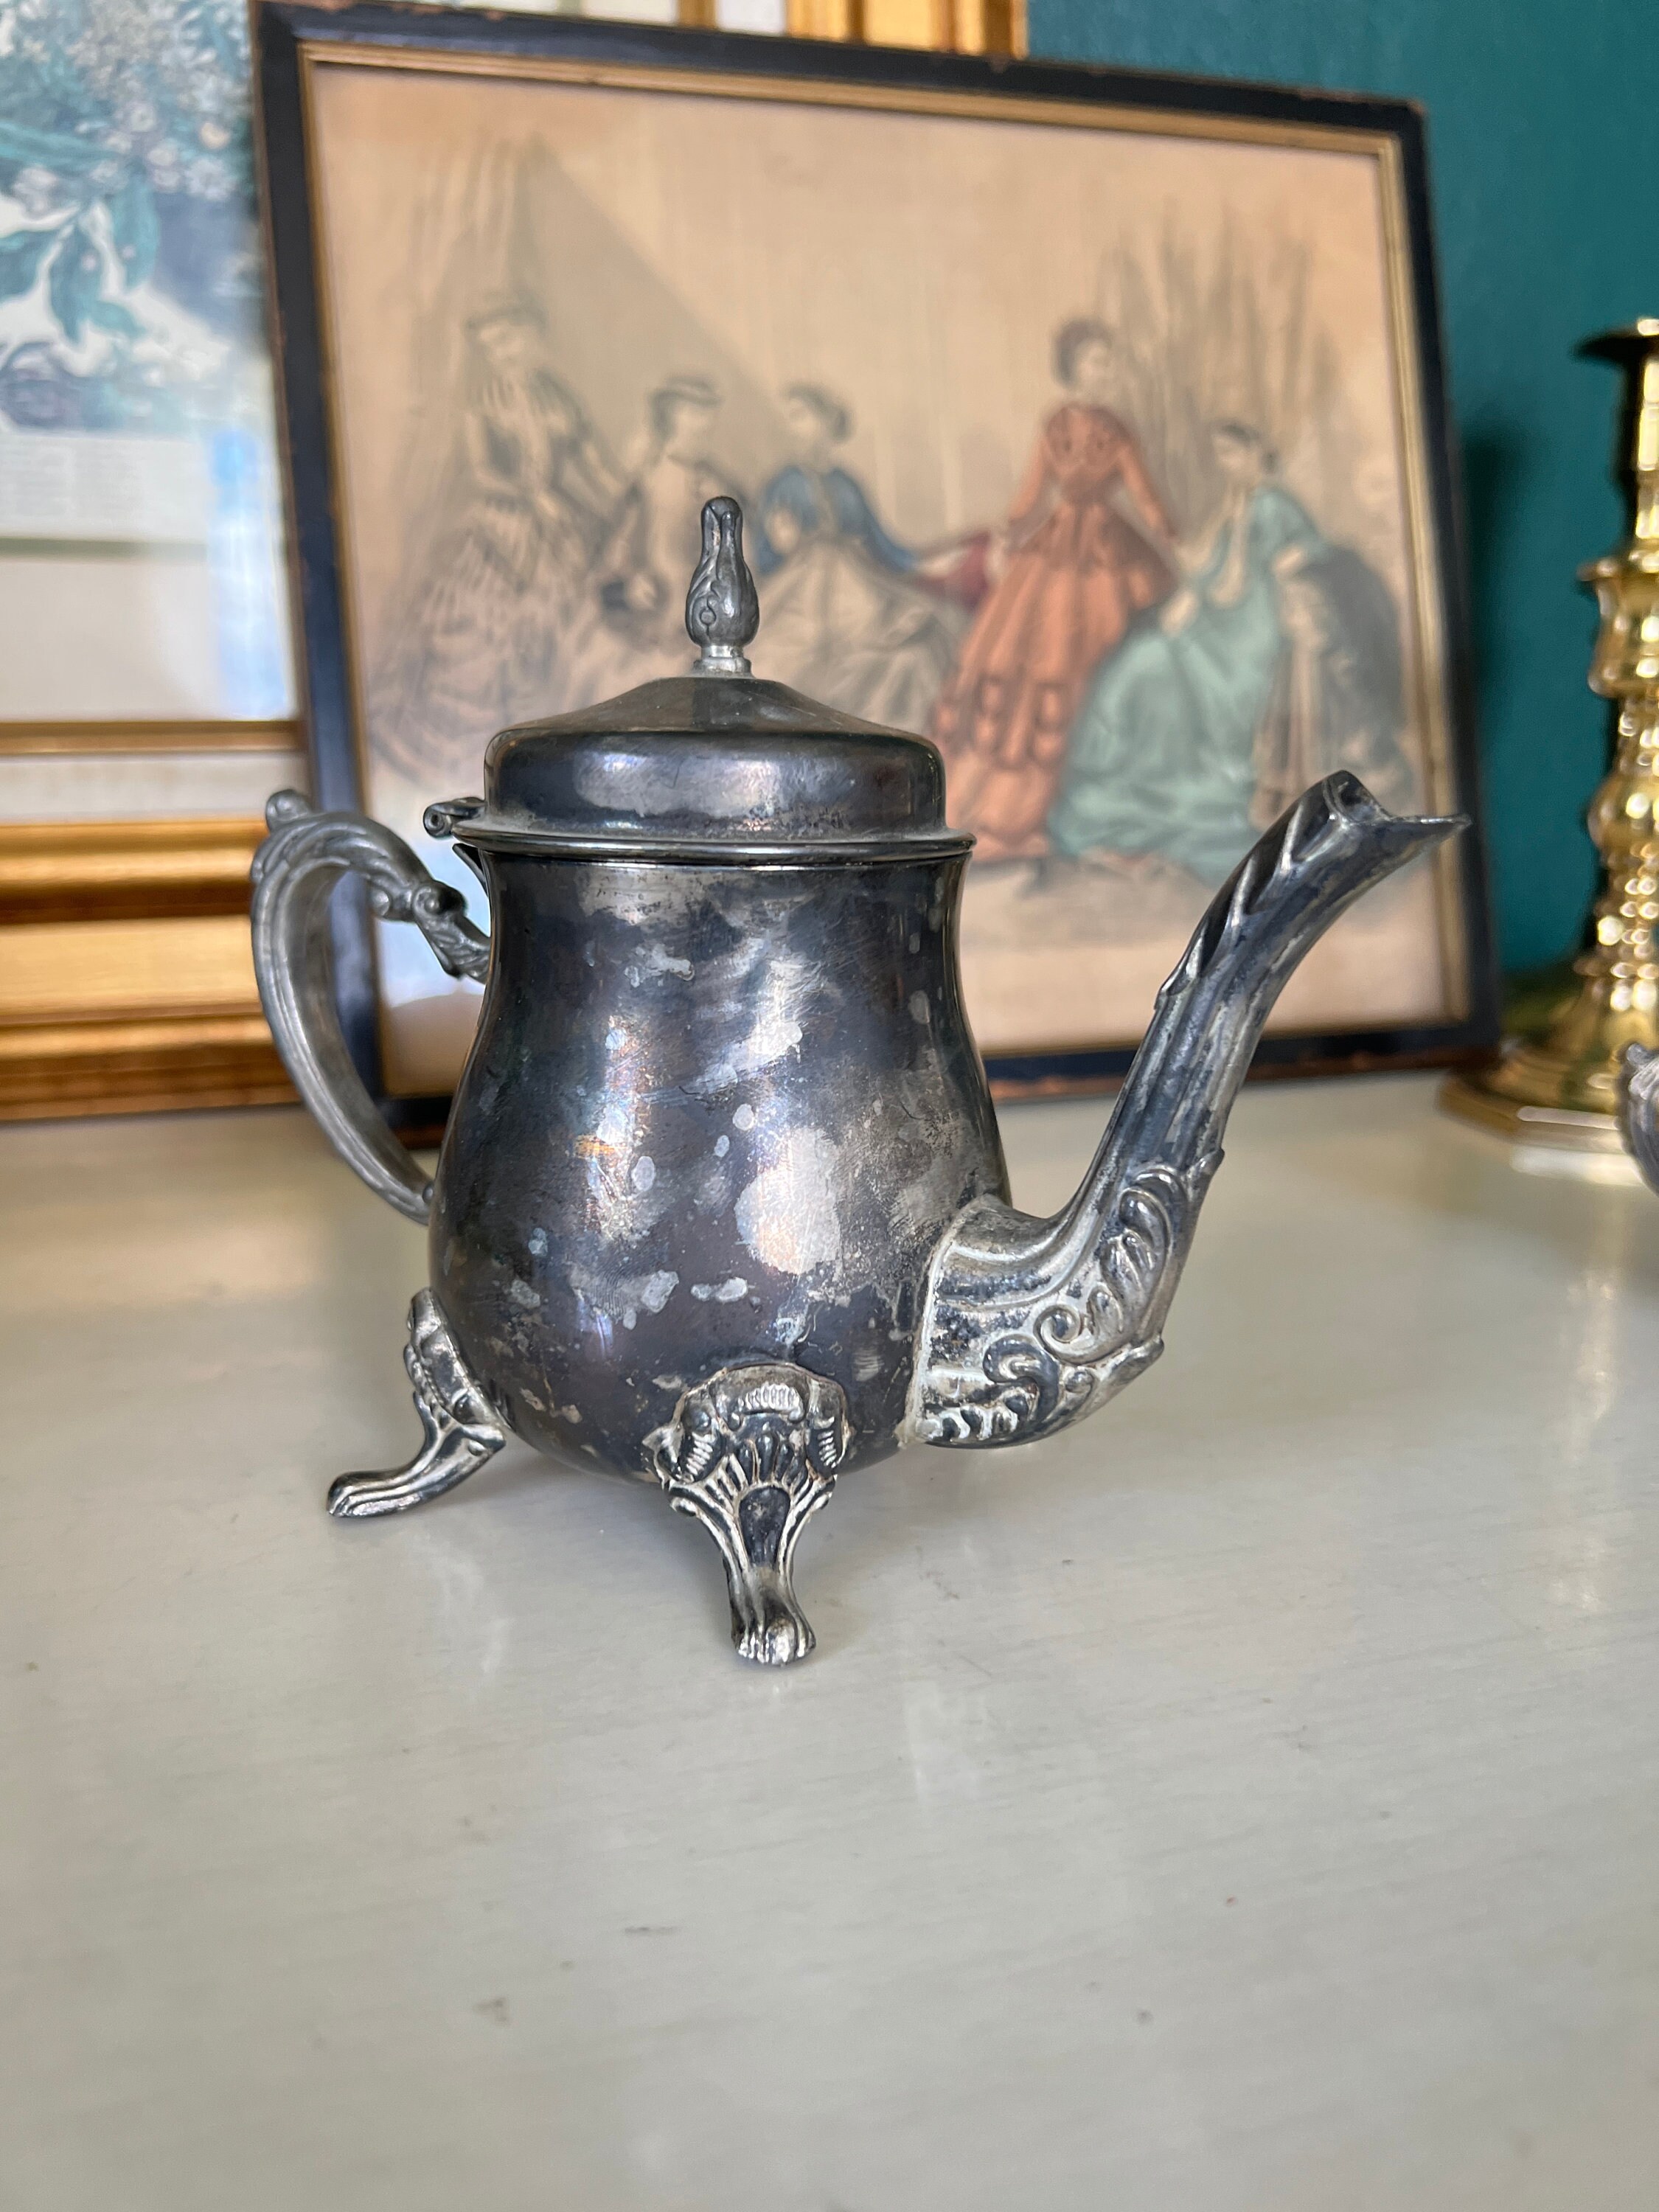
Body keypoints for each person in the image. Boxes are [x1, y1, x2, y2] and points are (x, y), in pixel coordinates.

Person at [1047, 421, 1409, 884]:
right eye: (1221, 455)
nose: (1228, 464)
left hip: (1259, 627)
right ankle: (1128, 772)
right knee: (1148, 656)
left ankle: (1174, 776)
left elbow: (1312, 552)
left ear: (1256, 450)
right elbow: (1213, 571)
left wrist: (1290, 566)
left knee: (1170, 667)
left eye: (1233, 453)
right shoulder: (1238, 505)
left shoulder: (1275, 504)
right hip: (1223, 616)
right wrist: (1188, 599)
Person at [929, 317, 1178, 860]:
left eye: (1109, 362)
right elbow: (1031, 495)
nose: (1105, 372)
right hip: (1053, 549)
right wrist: (1004, 538)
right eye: (1096, 362)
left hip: (1106, 555)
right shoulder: (1054, 425)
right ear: (1074, 369)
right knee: (1029, 658)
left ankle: (1075, 806)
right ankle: (1002, 807)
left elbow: (1144, 495)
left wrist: (1171, 536)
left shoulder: (1118, 430)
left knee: (1085, 664)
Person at [372, 299, 618, 777]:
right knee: (486, 628)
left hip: (559, 523)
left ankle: (562, 750)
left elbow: (596, 468)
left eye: (508, 340)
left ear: (533, 336)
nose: (501, 353)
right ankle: (494, 752)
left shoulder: (559, 398)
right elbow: (482, 471)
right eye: (491, 346)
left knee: (577, 623)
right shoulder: (483, 400)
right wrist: (532, 496)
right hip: (501, 525)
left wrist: (628, 504)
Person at [751, 383, 964, 731]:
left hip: (854, 582)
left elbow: (881, 543)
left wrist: (923, 564)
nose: (792, 426)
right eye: (790, 418)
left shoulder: (847, 484)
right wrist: (779, 546)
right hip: (801, 589)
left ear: (825, 421)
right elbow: (762, 560)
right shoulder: (782, 483)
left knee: (916, 641)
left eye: (800, 415)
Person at [562, 373, 730, 698]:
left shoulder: (719, 486)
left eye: (707, 413)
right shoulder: (647, 483)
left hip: (701, 620)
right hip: (647, 616)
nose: (703, 424)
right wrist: (630, 584)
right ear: (672, 417)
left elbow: (736, 562)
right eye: (693, 412)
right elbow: (617, 555)